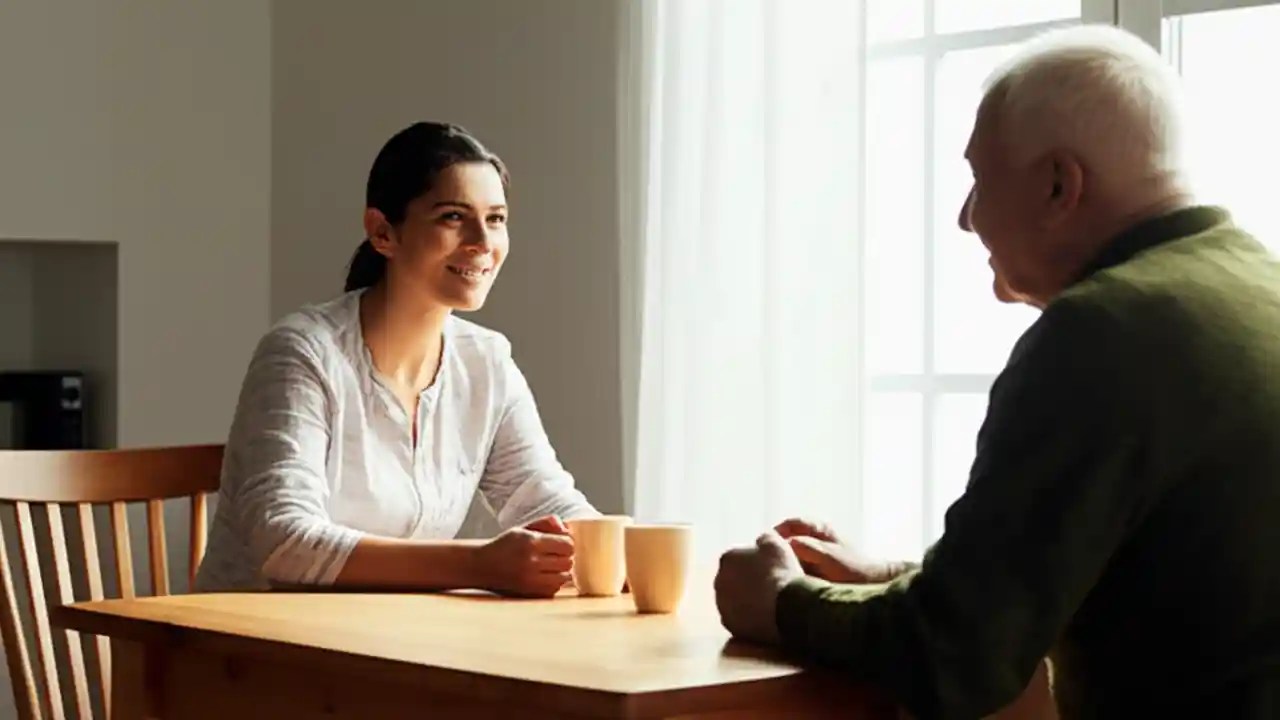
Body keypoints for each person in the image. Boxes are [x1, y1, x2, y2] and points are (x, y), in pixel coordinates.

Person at [715, 25, 1280, 719]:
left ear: (1056, 186)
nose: (964, 217)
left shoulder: (1102, 332)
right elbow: (1148, 574)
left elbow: (955, 659)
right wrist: (904, 579)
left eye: (979, 180)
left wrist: (780, 602)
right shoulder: (1258, 292)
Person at [196, 122, 599, 597]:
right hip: (247, 652)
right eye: (453, 217)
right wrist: (479, 564)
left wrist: (627, 555)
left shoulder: (486, 363)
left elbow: (547, 502)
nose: (482, 241)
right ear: (382, 232)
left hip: (389, 647)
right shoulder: (304, 351)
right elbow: (285, 540)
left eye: (495, 219)